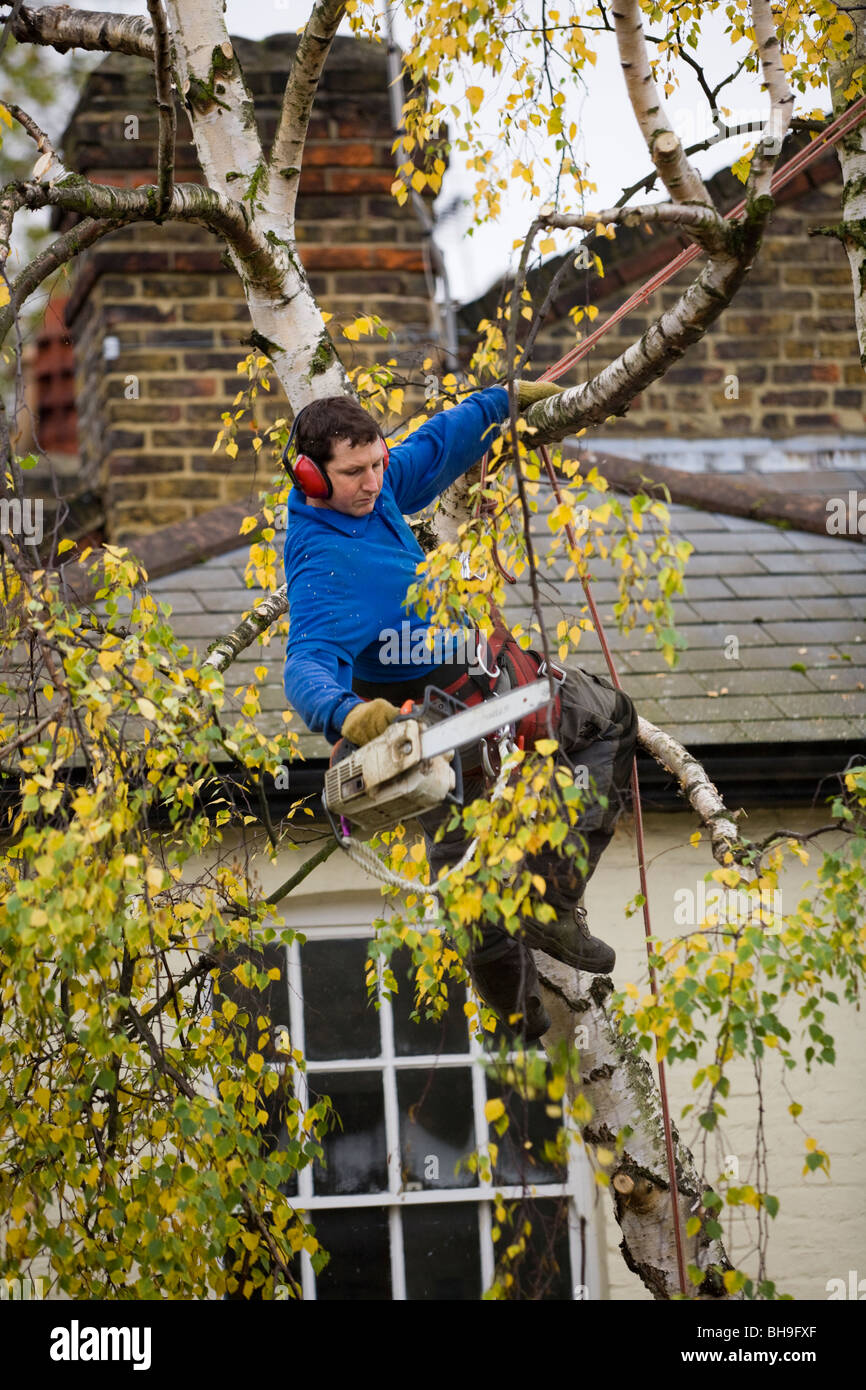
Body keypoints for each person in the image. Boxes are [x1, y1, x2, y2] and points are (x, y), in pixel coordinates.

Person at [282, 386, 638, 1041]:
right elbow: (303, 664)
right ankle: (533, 957)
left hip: (472, 684)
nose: (372, 482)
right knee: (602, 728)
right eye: (354, 473)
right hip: (431, 724)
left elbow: (440, 443)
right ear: (310, 476)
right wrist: (349, 715)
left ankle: (529, 961)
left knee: (600, 726)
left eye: (377, 465)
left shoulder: (379, 487)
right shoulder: (322, 565)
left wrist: (503, 399)